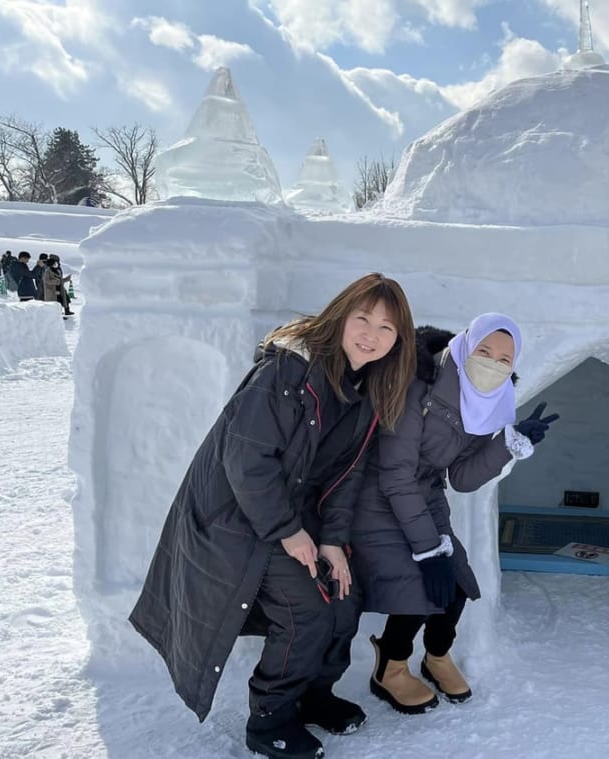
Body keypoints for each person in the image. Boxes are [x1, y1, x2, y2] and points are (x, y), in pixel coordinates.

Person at [129, 273, 417, 759]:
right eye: (363, 319)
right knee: (304, 610)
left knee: (346, 597)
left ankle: (313, 695)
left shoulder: (367, 389)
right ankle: (270, 719)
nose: (372, 334)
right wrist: (289, 533)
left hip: (293, 518)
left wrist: (331, 540)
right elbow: (246, 461)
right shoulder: (288, 372)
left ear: (398, 340)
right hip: (238, 521)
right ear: (341, 316)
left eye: (387, 328)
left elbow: (347, 475)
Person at [352, 314, 559, 714]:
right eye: (485, 352)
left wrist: (507, 442)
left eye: (504, 359)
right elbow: (395, 473)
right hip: (376, 495)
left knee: (457, 582)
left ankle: (436, 656)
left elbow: (462, 478)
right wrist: (428, 551)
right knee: (421, 582)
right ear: (466, 346)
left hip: (424, 495)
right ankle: (390, 667)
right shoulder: (417, 385)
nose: (493, 364)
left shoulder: (488, 402)